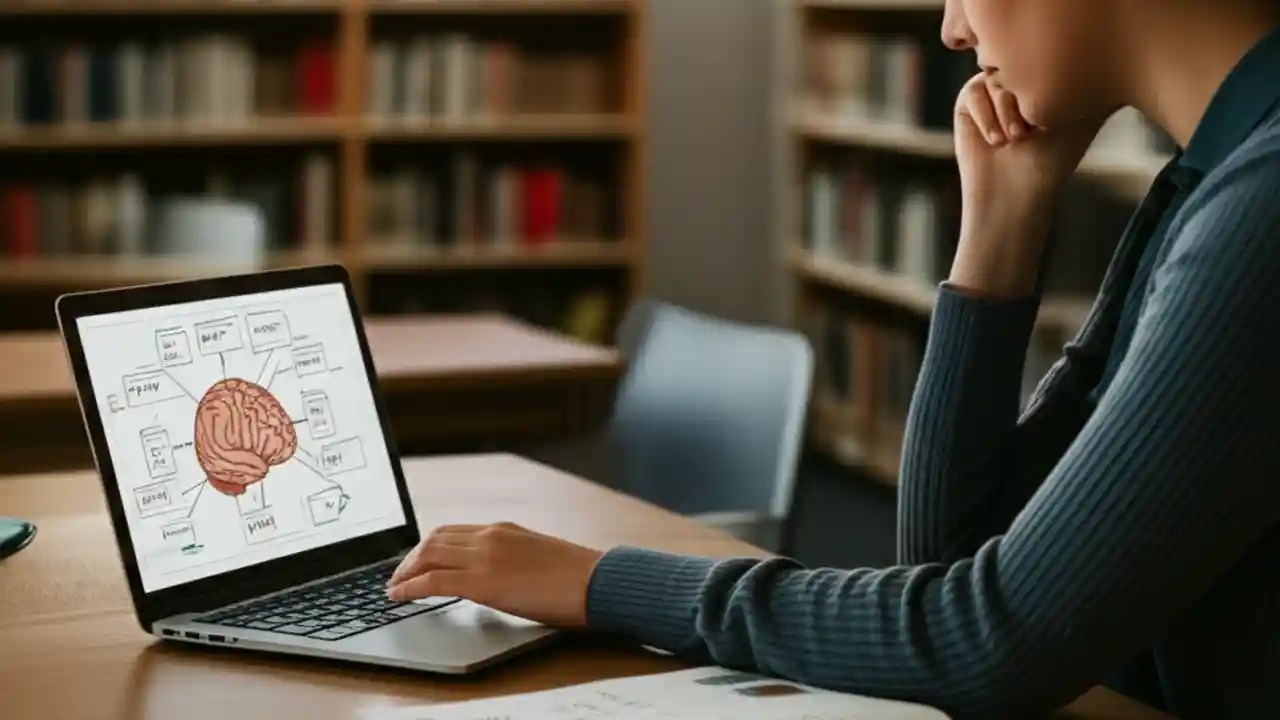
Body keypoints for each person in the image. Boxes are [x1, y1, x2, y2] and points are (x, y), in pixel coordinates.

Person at [386, 0, 1280, 716]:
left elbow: (992, 643)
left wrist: (601, 581)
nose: (953, 28)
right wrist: (1000, 229)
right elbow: (950, 560)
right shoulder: (1213, 181)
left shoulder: (1262, 208)